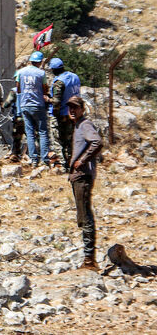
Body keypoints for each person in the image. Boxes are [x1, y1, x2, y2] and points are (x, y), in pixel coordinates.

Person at [66, 96, 103, 270]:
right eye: (70, 107)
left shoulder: (85, 124)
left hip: (83, 175)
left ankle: (89, 260)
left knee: (85, 216)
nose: (72, 110)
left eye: (75, 107)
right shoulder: (78, 125)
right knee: (82, 214)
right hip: (78, 176)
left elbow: (97, 142)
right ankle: (88, 258)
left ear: (82, 109)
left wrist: (82, 160)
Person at [15, 52, 51, 168]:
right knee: (42, 132)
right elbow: (45, 90)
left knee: (29, 133)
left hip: (25, 105)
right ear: (40, 62)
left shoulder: (20, 72)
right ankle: (45, 159)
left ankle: (34, 159)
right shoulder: (41, 73)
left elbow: (18, 89)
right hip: (38, 105)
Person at [48, 58, 82, 171]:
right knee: (70, 140)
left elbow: (56, 101)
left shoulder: (59, 82)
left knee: (57, 139)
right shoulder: (75, 77)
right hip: (74, 113)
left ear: (54, 70)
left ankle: (62, 164)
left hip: (62, 114)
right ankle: (72, 162)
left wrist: (48, 100)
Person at [0, 84, 27, 163]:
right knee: (32, 137)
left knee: (17, 137)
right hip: (30, 117)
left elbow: (6, 104)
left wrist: (1, 103)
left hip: (19, 118)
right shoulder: (30, 90)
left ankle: (15, 154)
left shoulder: (14, 91)